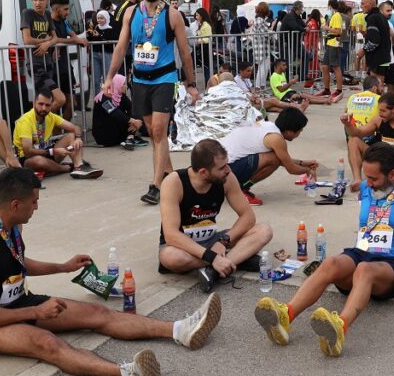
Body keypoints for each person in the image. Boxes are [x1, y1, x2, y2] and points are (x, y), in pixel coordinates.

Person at [0, 167, 222, 376]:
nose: (37, 207)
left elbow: (13, 262)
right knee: (46, 343)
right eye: (34, 202)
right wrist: (36, 312)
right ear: (16, 204)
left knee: (97, 313)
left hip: (18, 304)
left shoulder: (9, 223)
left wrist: (62, 267)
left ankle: (180, 330)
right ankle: (130, 373)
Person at [254, 143, 394, 357]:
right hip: (362, 252)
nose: (368, 184)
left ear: (393, 174)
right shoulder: (366, 188)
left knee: (364, 269)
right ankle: (286, 315)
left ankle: (340, 328)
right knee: (331, 263)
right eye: (366, 177)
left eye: (373, 178)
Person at [101, 0, 201, 206]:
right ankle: (172, 177)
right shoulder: (131, 13)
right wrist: (109, 77)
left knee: (158, 131)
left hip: (164, 79)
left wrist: (191, 83)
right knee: (154, 133)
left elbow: (185, 52)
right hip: (140, 80)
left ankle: (156, 186)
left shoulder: (172, 15)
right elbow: (120, 48)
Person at [157, 139, 273, 291]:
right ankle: (234, 259)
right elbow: (171, 235)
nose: (228, 170)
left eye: (227, 164)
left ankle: (213, 270)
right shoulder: (174, 182)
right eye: (222, 167)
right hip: (183, 247)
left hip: (214, 241)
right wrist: (212, 257)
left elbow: (248, 217)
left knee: (264, 231)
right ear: (203, 172)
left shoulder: (227, 179)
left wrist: (223, 242)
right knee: (170, 257)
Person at [222, 108, 319, 205]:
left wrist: (303, 163)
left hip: (223, 166)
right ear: (290, 132)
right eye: (300, 131)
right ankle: (240, 191)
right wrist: (307, 171)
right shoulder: (276, 139)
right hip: (226, 171)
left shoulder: (269, 126)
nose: (299, 134)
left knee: (274, 157)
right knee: (274, 160)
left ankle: (240, 188)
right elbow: (291, 169)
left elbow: (284, 159)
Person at [342, 92, 394, 191]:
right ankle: (357, 180)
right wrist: (348, 124)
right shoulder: (379, 119)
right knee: (353, 140)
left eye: (383, 111)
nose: (380, 113)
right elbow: (358, 133)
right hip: (381, 161)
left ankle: (389, 182)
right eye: (379, 110)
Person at [13, 89, 102, 179]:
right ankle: (66, 168)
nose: (44, 108)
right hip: (27, 160)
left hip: (47, 153)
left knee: (72, 136)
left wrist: (78, 138)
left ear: (51, 105)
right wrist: (54, 151)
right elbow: (28, 152)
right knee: (39, 161)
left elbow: (75, 128)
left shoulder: (51, 116)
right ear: (34, 103)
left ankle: (79, 167)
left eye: (47, 105)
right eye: (41, 104)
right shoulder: (25, 121)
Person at [20, 0, 66, 113]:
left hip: (48, 63)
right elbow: (27, 40)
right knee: (60, 99)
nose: (37, 3)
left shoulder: (47, 14)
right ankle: (38, 121)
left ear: (47, 0)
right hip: (36, 65)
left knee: (43, 102)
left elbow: (55, 38)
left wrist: (47, 44)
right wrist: (45, 40)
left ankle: (39, 123)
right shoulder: (27, 13)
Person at [49, 0, 86, 120]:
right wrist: (71, 41)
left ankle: (64, 128)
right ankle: (44, 125)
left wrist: (62, 41)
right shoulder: (48, 22)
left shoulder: (64, 21)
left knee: (72, 104)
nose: (68, 12)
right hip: (53, 69)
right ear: (56, 9)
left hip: (66, 68)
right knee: (56, 103)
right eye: (65, 9)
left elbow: (74, 36)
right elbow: (53, 39)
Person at [92, 73, 147, 149]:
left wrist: (136, 121)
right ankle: (129, 138)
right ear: (116, 84)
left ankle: (130, 138)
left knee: (134, 113)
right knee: (123, 116)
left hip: (116, 129)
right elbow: (114, 112)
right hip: (104, 135)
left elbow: (132, 107)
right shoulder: (103, 98)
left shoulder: (121, 95)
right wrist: (132, 121)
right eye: (123, 84)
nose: (125, 86)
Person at [361, 0, 394, 92]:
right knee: (383, 88)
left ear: (370, 4)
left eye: (363, 3)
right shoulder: (381, 17)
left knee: (376, 88)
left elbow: (374, 41)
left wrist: (363, 50)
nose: (361, 6)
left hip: (378, 59)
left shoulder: (373, 18)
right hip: (385, 58)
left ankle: (381, 102)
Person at [320, 0, 346, 99]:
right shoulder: (334, 15)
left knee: (336, 67)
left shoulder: (337, 16)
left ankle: (339, 90)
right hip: (330, 43)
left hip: (334, 43)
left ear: (330, 6)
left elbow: (338, 31)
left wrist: (327, 28)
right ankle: (327, 89)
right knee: (325, 67)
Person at [247, 2, 274, 89]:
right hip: (261, 48)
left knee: (263, 69)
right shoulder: (260, 21)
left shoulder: (258, 20)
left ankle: (261, 87)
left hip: (261, 47)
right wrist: (272, 32)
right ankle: (259, 87)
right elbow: (266, 34)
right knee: (263, 69)